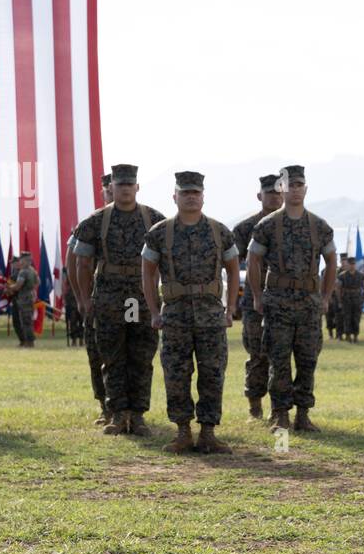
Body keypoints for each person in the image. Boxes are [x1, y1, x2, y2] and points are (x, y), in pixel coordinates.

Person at [141, 171, 241, 454]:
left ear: (203, 196)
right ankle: (183, 432)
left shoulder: (220, 231)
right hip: (175, 316)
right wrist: (153, 311)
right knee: (176, 374)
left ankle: (208, 433)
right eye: (185, 192)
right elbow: (147, 274)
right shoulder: (159, 233)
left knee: (212, 373)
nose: (191, 197)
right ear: (175, 197)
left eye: (195, 192)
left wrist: (231, 308)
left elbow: (234, 270)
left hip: (211, 317)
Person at [73, 164, 166, 436]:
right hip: (109, 299)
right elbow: (82, 264)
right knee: (112, 356)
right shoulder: (95, 221)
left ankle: (137, 415)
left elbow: (167, 260)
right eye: (120, 185)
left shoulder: (155, 220)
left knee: (141, 356)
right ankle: (117, 413)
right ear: (111, 188)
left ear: (137, 187)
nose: (125, 189)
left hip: (140, 298)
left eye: (129, 185)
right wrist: (85, 299)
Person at [246, 165, 337, 432]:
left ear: (305, 189)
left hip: (309, 304)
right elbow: (253, 260)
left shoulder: (319, 226)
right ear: (281, 189)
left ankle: (303, 414)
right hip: (278, 304)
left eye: (299, 185)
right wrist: (257, 295)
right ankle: (280, 414)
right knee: (279, 360)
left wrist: (326, 296)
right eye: (290, 185)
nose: (295, 190)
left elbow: (332, 261)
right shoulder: (267, 225)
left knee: (308, 360)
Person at [231, 174, 284, 419]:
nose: (274, 197)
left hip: (286, 299)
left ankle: (280, 409)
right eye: (269, 193)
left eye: (278, 193)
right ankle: (255, 406)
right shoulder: (245, 228)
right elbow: (232, 264)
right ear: (259, 196)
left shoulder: (292, 225)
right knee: (257, 353)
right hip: (256, 299)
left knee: (282, 355)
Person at [67, 174, 113, 425]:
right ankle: (105, 405)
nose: (112, 194)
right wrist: (81, 298)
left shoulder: (141, 219)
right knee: (97, 354)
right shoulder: (91, 223)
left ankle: (128, 408)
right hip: (96, 299)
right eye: (108, 190)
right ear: (103, 192)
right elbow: (72, 262)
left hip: (129, 299)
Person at [6, 251, 38, 347]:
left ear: (24, 260)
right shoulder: (33, 271)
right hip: (30, 297)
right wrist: (30, 289)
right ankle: (30, 341)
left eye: (21, 260)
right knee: (28, 320)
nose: (20, 262)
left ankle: (29, 342)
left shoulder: (23, 272)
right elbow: (37, 283)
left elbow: (18, 286)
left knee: (25, 321)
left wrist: (9, 288)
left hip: (24, 299)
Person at [337, 255, 364, 343]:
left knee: (356, 318)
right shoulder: (342, 276)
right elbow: (338, 288)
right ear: (348, 264)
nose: (352, 266)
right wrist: (339, 301)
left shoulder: (361, 275)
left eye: (353, 264)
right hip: (346, 299)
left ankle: (355, 335)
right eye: (350, 264)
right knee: (347, 317)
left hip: (357, 299)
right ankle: (348, 335)